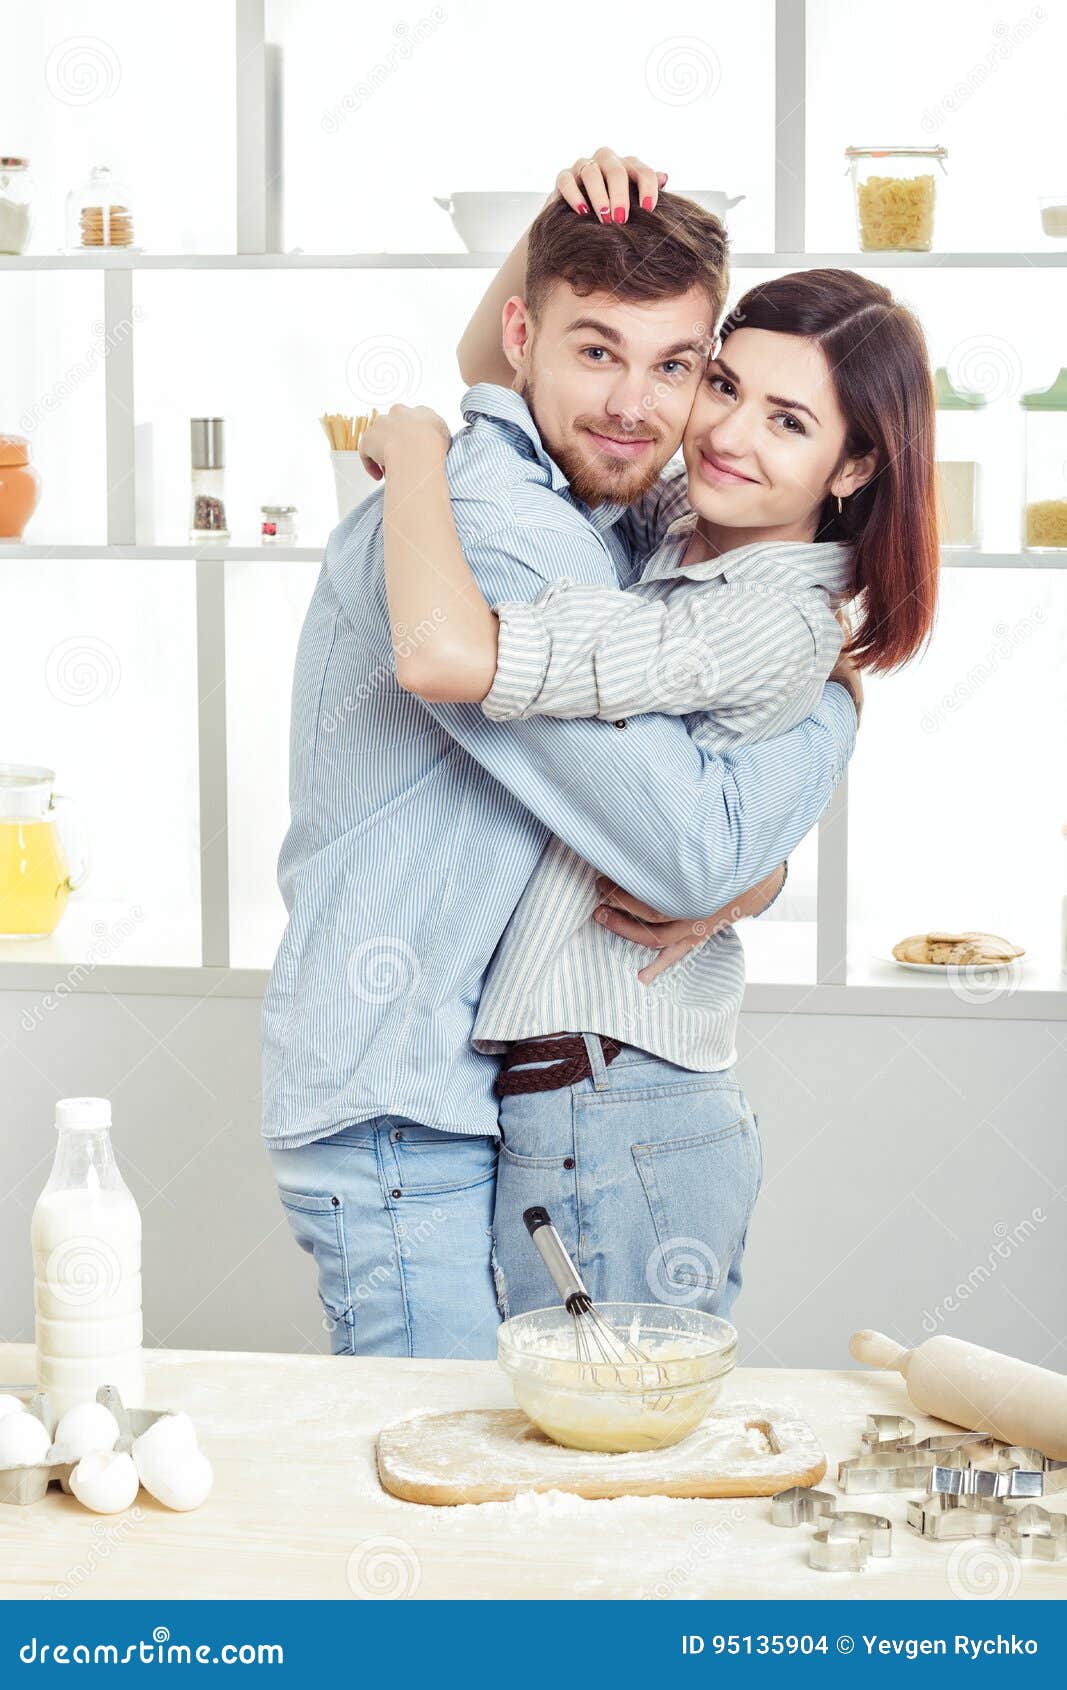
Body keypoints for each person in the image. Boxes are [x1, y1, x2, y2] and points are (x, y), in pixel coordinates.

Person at [262, 152, 860, 1360]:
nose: (641, 407)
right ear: (533, 338)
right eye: (597, 354)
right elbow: (684, 851)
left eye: (678, 368)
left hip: (441, 1096)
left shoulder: (590, 499)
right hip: (399, 1100)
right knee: (446, 1490)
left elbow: (519, 365)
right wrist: (789, 789)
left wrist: (762, 868)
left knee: (506, 1484)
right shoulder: (505, 529)